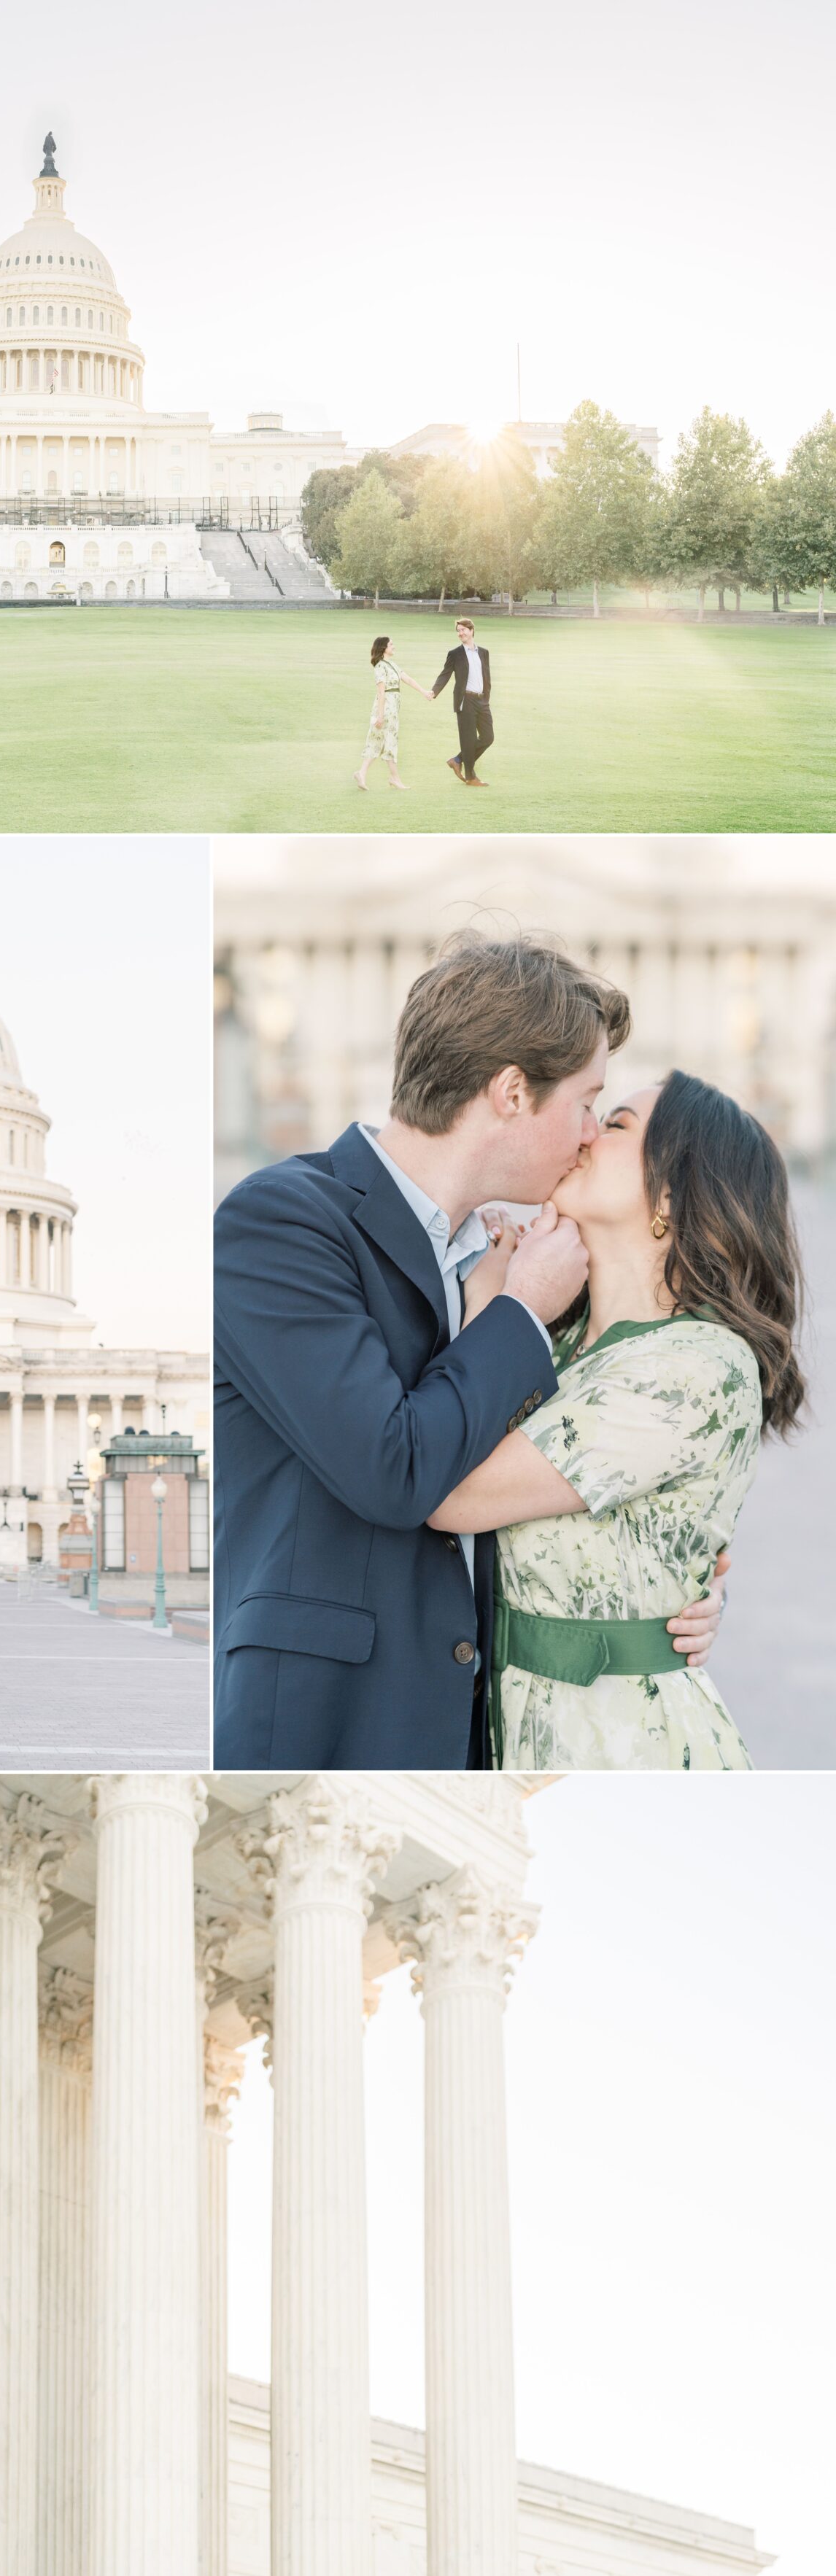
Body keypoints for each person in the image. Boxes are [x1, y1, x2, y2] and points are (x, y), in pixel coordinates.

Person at [213, 932, 727, 1772]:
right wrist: (519, 1309)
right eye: (586, 1100)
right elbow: (389, 1467)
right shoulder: (280, 1221)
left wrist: (668, 1583)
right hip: (317, 1732)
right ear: (512, 1092)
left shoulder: (507, 1258)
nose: (589, 1132)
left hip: (471, 1740)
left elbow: (557, 1484)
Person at [423, 1071, 804, 1769]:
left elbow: (447, 1489)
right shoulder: (559, 1342)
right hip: (516, 1733)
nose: (588, 1132)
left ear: (669, 1194)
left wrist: (494, 1304)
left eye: (619, 1124)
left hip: (622, 1745)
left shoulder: (698, 1365)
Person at [355, 634, 427, 793]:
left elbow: (408, 679)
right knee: (388, 742)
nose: (394, 646)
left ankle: (362, 773)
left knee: (377, 741)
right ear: (384, 648)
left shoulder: (391, 665)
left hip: (391, 710)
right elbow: (381, 692)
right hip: (385, 710)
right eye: (391, 644)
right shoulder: (381, 667)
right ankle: (394, 778)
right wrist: (380, 716)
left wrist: (424, 692)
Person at [427, 617, 493, 786]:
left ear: (472, 631)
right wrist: (435, 691)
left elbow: (487, 677)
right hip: (466, 701)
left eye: (463, 630)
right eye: (458, 631)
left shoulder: (483, 652)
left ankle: (457, 760)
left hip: (482, 700)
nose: (461, 633)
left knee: (488, 737)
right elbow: (445, 674)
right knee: (468, 739)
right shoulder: (455, 654)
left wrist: (486, 698)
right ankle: (471, 777)